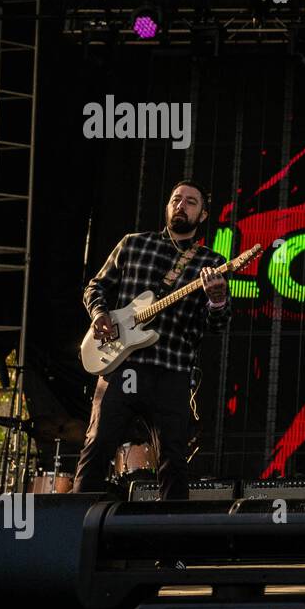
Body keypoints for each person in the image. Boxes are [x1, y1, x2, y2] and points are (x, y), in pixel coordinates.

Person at [74, 180, 232, 500]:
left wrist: (217, 300)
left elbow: (215, 326)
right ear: (167, 206)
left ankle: (170, 540)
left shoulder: (210, 263)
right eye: (176, 199)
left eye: (191, 202)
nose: (181, 205)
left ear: (202, 215)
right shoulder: (133, 244)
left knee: (173, 458)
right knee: (98, 445)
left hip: (172, 369)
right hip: (123, 365)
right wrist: (100, 314)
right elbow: (96, 287)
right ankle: (75, 527)